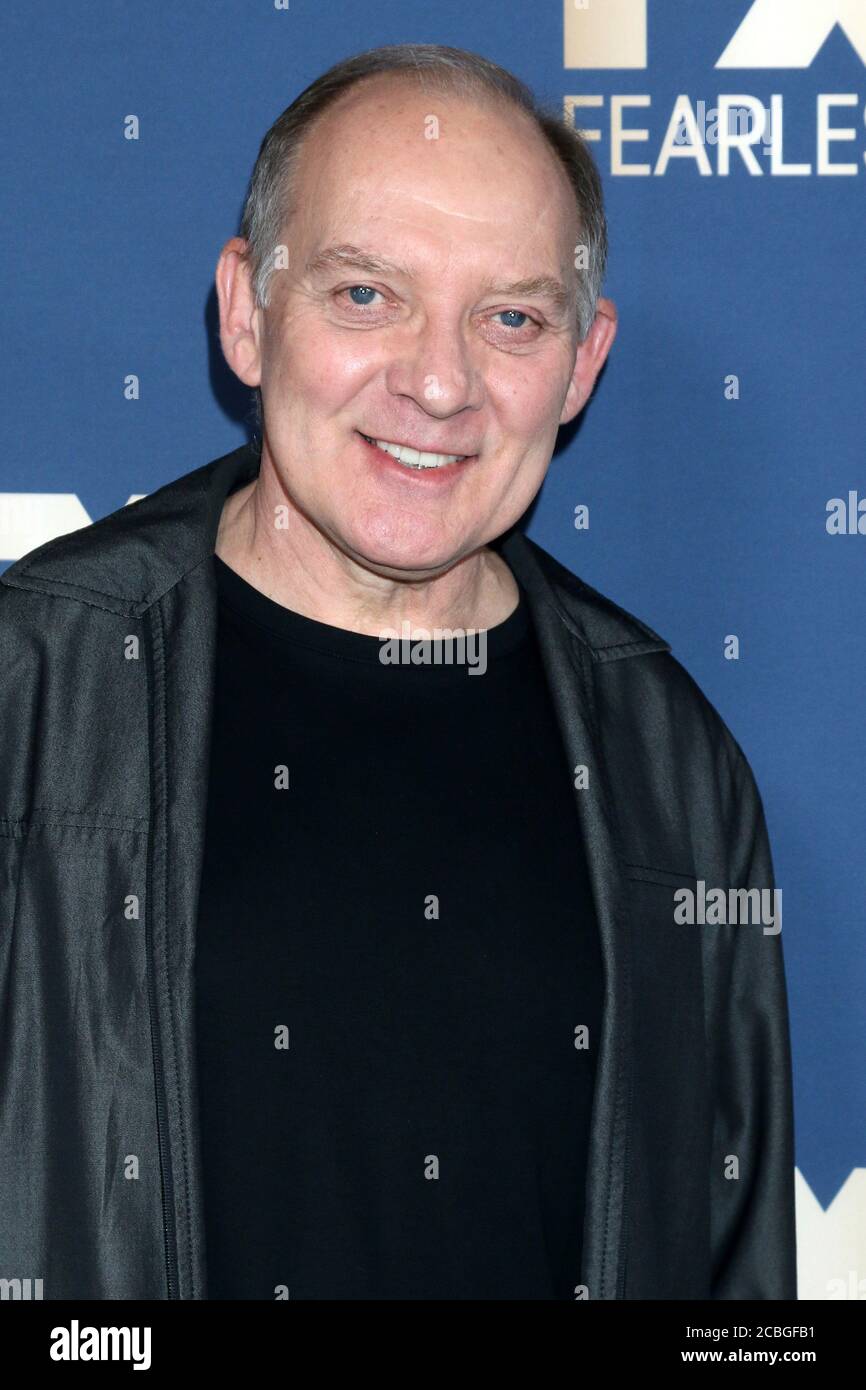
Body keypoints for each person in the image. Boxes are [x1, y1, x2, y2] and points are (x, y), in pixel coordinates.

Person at [0, 43, 796, 1301]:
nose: (437, 382)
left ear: (582, 365)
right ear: (243, 314)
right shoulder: (30, 690)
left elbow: (733, 1275)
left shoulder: (671, 761)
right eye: (365, 295)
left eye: (511, 317)